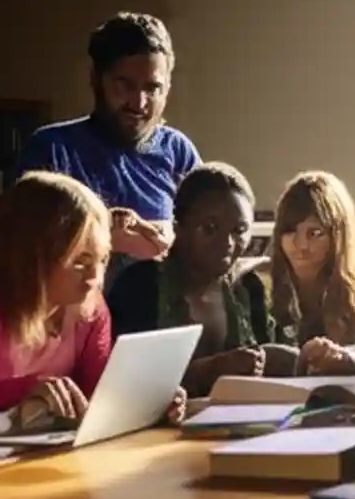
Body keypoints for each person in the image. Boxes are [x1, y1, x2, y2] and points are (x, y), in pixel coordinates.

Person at [0, 171, 185, 423]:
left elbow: (98, 399)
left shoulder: (90, 308)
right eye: (80, 261)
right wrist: (20, 392)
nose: (94, 278)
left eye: (102, 260)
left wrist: (149, 402)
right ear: (32, 258)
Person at [16, 12, 200, 270]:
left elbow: (204, 243)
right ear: (95, 79)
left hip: (162, 307)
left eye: (152, 88)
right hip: (75, 308)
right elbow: (26, 249)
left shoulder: (179, 152)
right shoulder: (53, 148)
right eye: (124, 85)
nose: (139, 103)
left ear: (167, 87)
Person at [109, 163, 295, 397]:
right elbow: (123, 383)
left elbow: (273, 362)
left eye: (239, 230)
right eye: (210, 228)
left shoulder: (247, 289)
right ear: (179, 227)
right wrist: (209, 370)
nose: (227, 242)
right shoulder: (141, 285)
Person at [270, 171, 355, 375]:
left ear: (338, 236)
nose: (301, 245)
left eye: (315, 233)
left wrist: (342, 357)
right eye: (290, 230)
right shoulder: (261, 280)